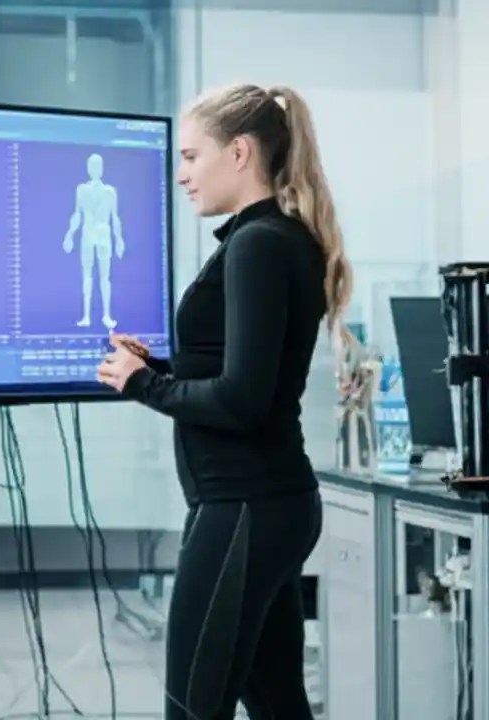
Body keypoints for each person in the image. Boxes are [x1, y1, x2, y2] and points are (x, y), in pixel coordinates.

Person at [97, 84, 353, 719]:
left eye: (190, 157)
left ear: (238, 152)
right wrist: (158, 366)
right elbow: (246, 371)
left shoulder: (257, 245)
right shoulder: (278, 238)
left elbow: (242, 402)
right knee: (277, 705)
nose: (181, 175)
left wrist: (144, 384)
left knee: (194, 709)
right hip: (269, 503)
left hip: (244, 505)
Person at [63, 152, 126, 330]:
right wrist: (70, 234)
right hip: (88, 234)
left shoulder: (110, 192)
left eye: (98, 166)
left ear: (102, 169)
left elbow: (115, 217)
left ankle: (106, 315)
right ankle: (86, 316)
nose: (95, 169)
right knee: (87, 275)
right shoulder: (82, 190)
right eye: (92, 166)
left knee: (105, 277)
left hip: (104, 235)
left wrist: (119, 239)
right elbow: (77, 214)